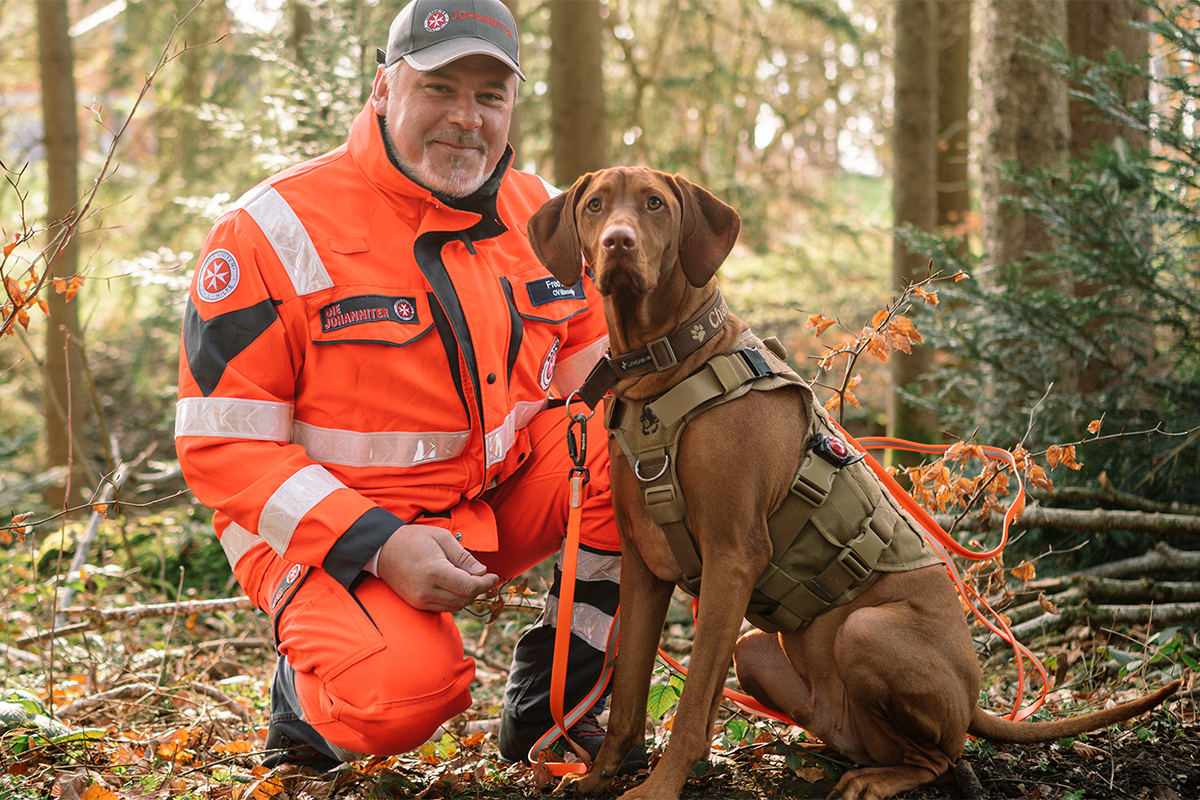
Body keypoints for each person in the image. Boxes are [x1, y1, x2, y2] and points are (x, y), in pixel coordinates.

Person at [174, 0, 645, 771]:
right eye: (439, 87)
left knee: (637, 445)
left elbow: (594, 367)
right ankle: (306, 696)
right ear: (384, 89)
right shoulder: (267, 229)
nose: (466, 118)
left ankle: (562, 711)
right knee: (403, 699)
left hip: (482, 503)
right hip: (326, 533)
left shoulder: (537, 211)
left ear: (512, 106)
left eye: (489, 95)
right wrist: (380, 545)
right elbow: (222, 447)